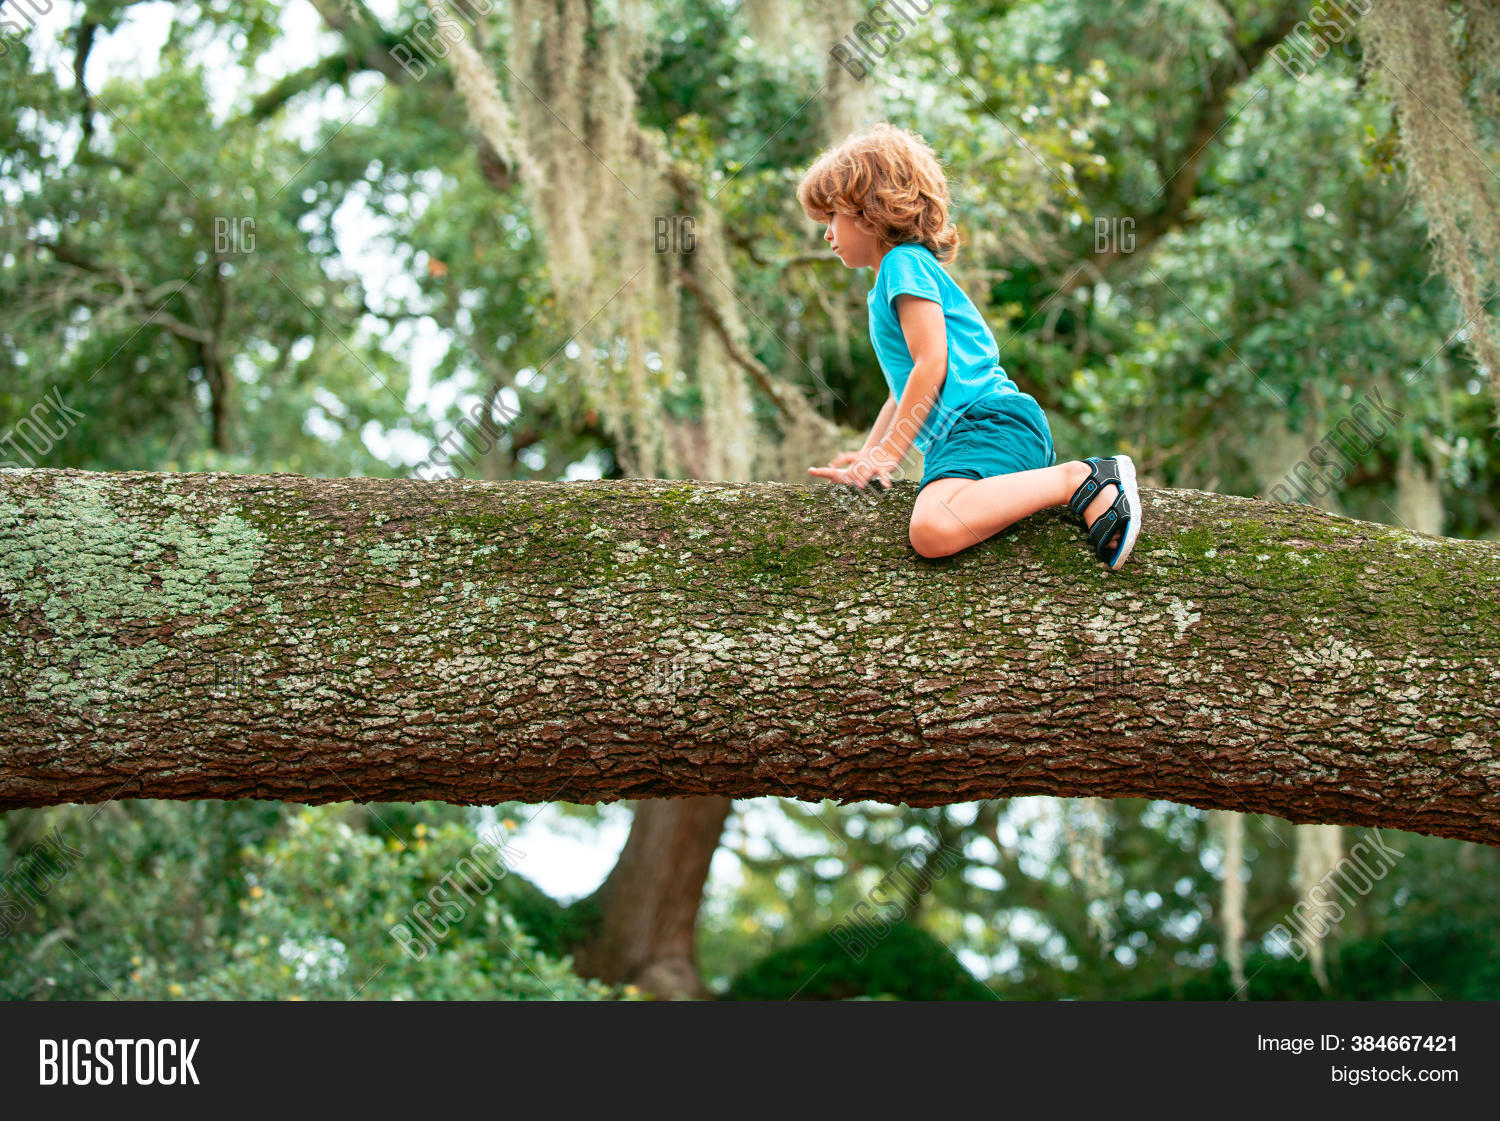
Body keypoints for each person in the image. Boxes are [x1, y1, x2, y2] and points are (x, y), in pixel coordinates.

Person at [799, 122, 1141, 570]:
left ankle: (1084, 478)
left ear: (869, 208)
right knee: (938, 522)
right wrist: (869, 457)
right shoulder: (895, 278)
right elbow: (901, 390)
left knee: (931, 529)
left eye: (831, 217)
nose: (826, 234)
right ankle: (1087, 493)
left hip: (987, 423)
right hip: (977, 434)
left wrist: (889, 453)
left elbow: (931, 364)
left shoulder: (901, 265)